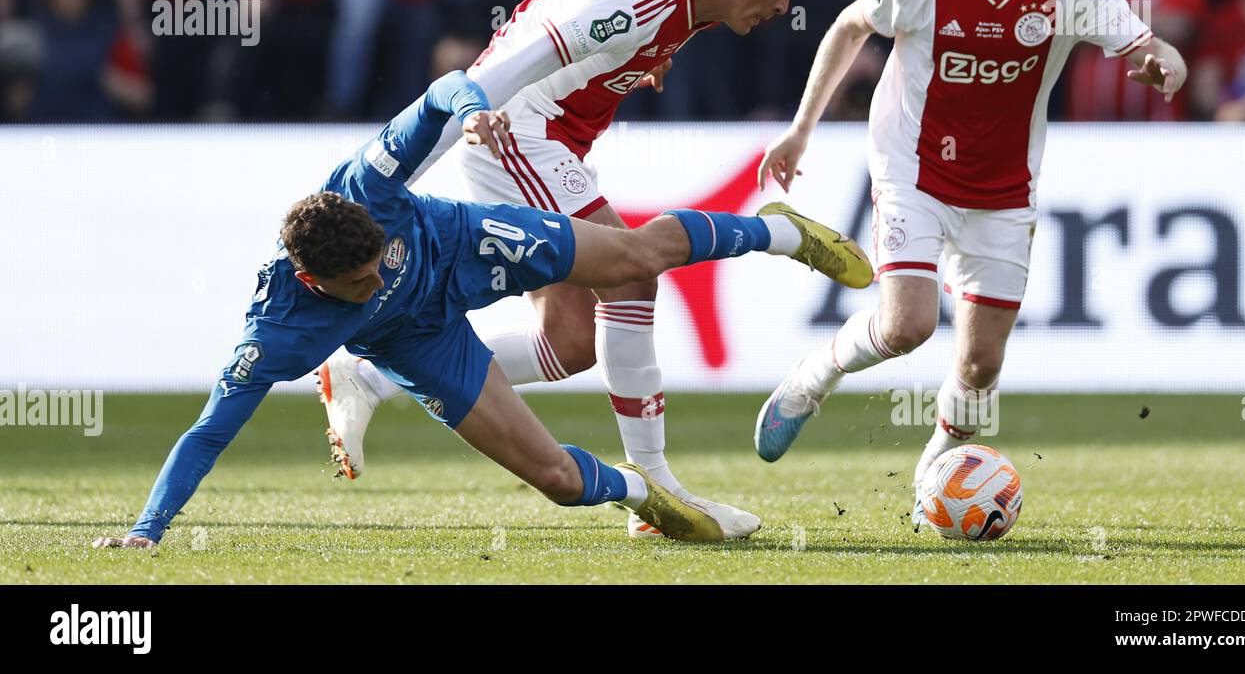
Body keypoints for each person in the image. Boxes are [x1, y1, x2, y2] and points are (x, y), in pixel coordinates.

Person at [92, 68, 872, 549]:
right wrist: (146, 530)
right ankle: (650, 497)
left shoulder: (363, 186)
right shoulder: (275, 337)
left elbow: (444, 87)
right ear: (312, 281)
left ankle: (778, 231)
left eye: (375, 262)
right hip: (419, 339)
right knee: (558, 481)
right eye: (359, 282)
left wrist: (471, 112)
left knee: (632, 261)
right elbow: (207, 433)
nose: (373, 275)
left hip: (465, 242)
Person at [316, 0, 824, 541]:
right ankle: (657, 490)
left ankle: (369, 375)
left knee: (570, 344)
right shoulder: (639, 5)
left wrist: (641, 57)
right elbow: (509, 66)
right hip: (518, 134)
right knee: (631, 271)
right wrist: (403, 168)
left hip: (550, 139)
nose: (783, 6)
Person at [752, 0, 1188, 525]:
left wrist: (1166, 64)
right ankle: (814, 377)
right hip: (913, 166)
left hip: (1005, 185)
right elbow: (846, 28)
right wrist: (802, 127)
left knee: (981, 366)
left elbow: (1147, 46)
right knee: (908, 325)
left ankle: (934, 470)